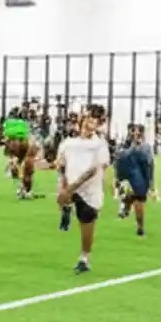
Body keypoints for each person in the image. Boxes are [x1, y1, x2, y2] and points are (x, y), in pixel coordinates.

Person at [56, 112, 110, 274]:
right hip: (70, 185)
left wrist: (70, 189)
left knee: (87, 221)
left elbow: (94, 169)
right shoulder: (68, 143)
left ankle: (84, 258)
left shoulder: (99, 145)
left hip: (89, 190)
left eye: (93, 121)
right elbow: (61, 165)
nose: (89, 124)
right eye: (86, 120)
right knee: (71, 205)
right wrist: (64, 188)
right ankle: (66, 207)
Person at [116, 124, 156, 236]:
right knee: (132, 198)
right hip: (129, 178)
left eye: (138, 132)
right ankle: (127, 209)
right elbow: (120, 159)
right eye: (133, 132)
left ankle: (139, 226)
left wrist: (151, 181)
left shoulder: (145, 147)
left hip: (138, 179)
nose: (135, 134)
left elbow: (150, 163)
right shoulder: (125, 146)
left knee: (137, 201)